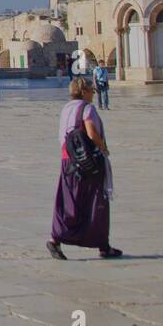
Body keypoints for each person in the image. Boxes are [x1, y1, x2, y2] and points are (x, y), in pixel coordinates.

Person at [49, 77, 122, 260]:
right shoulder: (87, 108)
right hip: (87, 162)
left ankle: (55, 239)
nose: (93, 94)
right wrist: (103, 148)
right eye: (91, 91)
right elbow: (91, 132)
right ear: (84, 91)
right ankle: (103, 246)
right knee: (95, 202)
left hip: (68, 161)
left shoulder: (66, 108)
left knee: (68, 201)